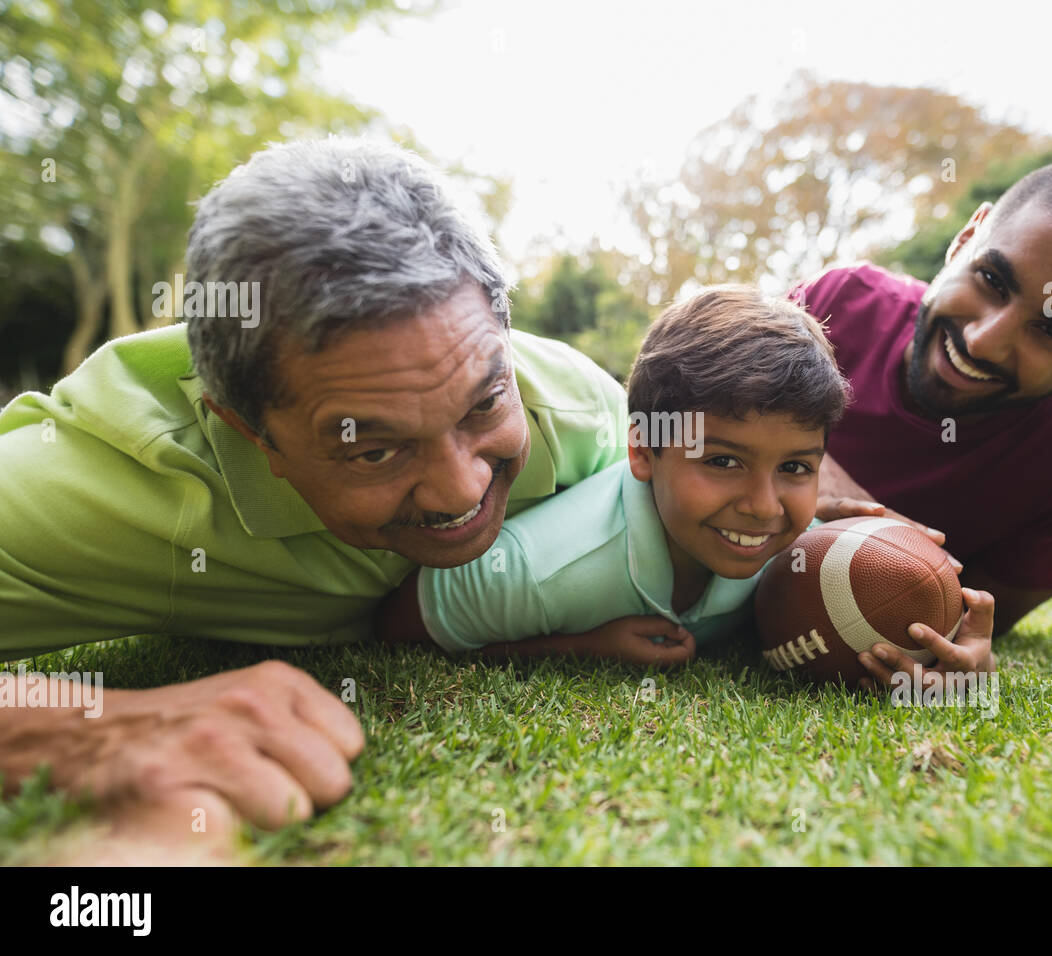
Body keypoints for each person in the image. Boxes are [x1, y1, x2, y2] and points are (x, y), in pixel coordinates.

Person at [0, 138, 629, 834]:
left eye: (483, 406)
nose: (460, 491)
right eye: (374, 451)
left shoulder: (583, 420)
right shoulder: (94, 481)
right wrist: (91, 729)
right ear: (246, 432)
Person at [375, 285, 998, 671]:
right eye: (723, 461)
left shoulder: (807, 547)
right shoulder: (540, 570)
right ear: (643, 451)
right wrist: (576, 647)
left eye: (795, 467)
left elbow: (890, 615)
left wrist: (943, 639)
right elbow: (396, 629)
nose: (762, 507)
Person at [792, 159, 1052, 690]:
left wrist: (953, 648)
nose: (983, 340)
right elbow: (683, 422)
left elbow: (969, 621)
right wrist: (808, 471)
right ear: (965, 239)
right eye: (993, 280)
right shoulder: (838, 304)